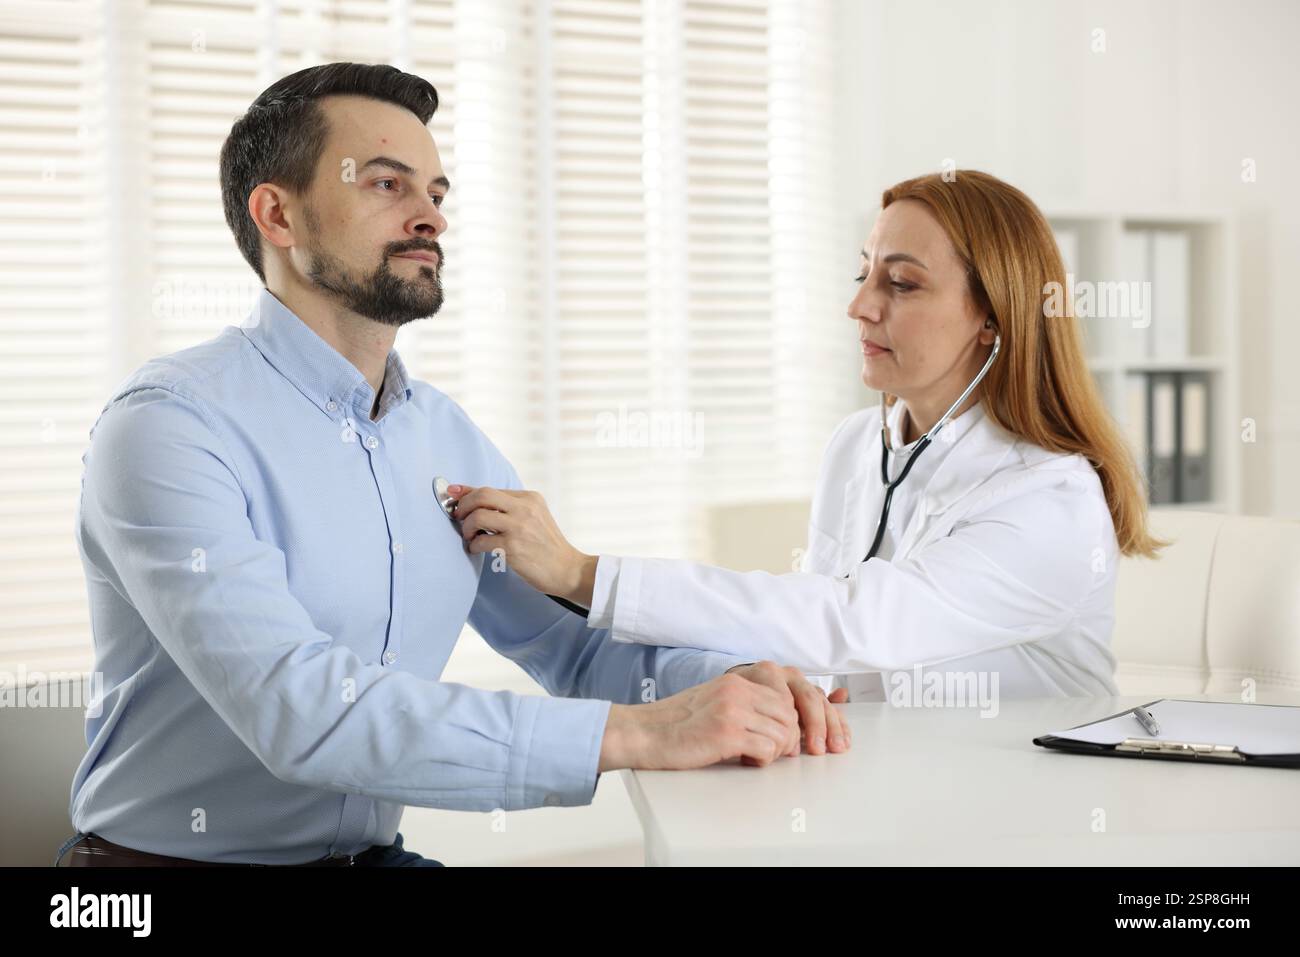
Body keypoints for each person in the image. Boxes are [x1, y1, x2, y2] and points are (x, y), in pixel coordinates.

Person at [59, 62, 850, 869]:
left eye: (436, 193)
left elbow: (571, 649)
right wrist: (647, 731)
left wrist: (735, 684)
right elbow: (302, 714)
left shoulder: (443, 437)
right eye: (386, 184)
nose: (429, 217)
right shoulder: (168, 426)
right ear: (278, 215)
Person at [449, 169, 1166, 704]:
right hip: (886, 784)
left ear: (992, 317)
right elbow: (816, 636)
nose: (859, 305)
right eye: (863, 274)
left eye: (902, 284)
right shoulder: (860, 444)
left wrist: (580, 572)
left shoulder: (1050, 499)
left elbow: (848, 620)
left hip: (1028, 821)